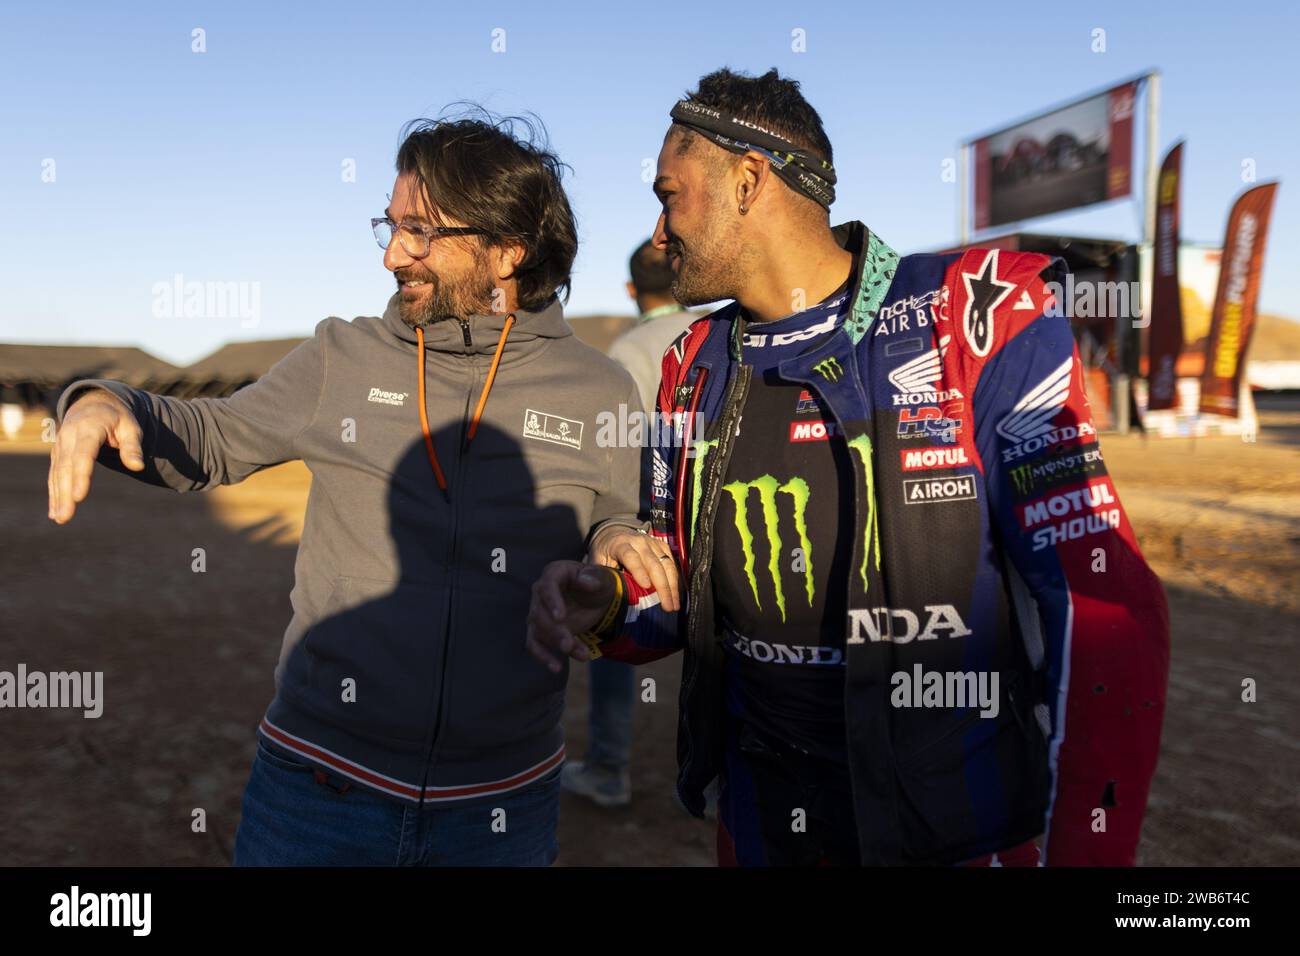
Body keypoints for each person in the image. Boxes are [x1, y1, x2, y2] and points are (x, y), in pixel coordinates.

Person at [528, 68, 1171, 866]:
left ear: (747, 181)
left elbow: (1104, 613)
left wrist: (1086, 853)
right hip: (763, 830)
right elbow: (675, 598)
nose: (659, 235)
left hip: (958, 836)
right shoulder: (690, 364)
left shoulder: (976, 316)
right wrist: (606, 601)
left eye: (670, 195)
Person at [47, 110, 651, 866]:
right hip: (315, 794)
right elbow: (212, 436)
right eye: (389, 226)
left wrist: (615, 558)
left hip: (502, 807)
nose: (394, 254)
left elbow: (620, 526)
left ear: (507, 250)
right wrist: (105, 401)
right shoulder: (342, 355)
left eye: (421, 230)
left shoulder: (599, 390)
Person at [561, 240, 694, 808]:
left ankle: (609, 769)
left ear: (630, 290)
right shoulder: (719, 334)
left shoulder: (628, 349)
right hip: (719, 518)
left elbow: (617, 445)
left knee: (615, 625)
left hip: (642, 523)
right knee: (723, 649)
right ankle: (714, 782)